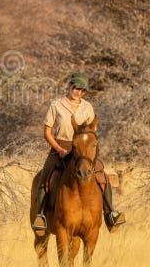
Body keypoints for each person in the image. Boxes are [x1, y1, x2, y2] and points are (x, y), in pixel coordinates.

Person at [31, 72, 125, 233]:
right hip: (60, 145)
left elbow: (91, 132)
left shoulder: (87, 107)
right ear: (70, 86)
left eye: (83, 90)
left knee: (102, 175)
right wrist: (59, 149)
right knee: (45, 175)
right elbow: (47, 132)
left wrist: (88, 150)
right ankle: (40, 215)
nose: (79, 93)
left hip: (83, 149)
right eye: (76, 88)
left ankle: (110, 214)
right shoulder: (56, 105)